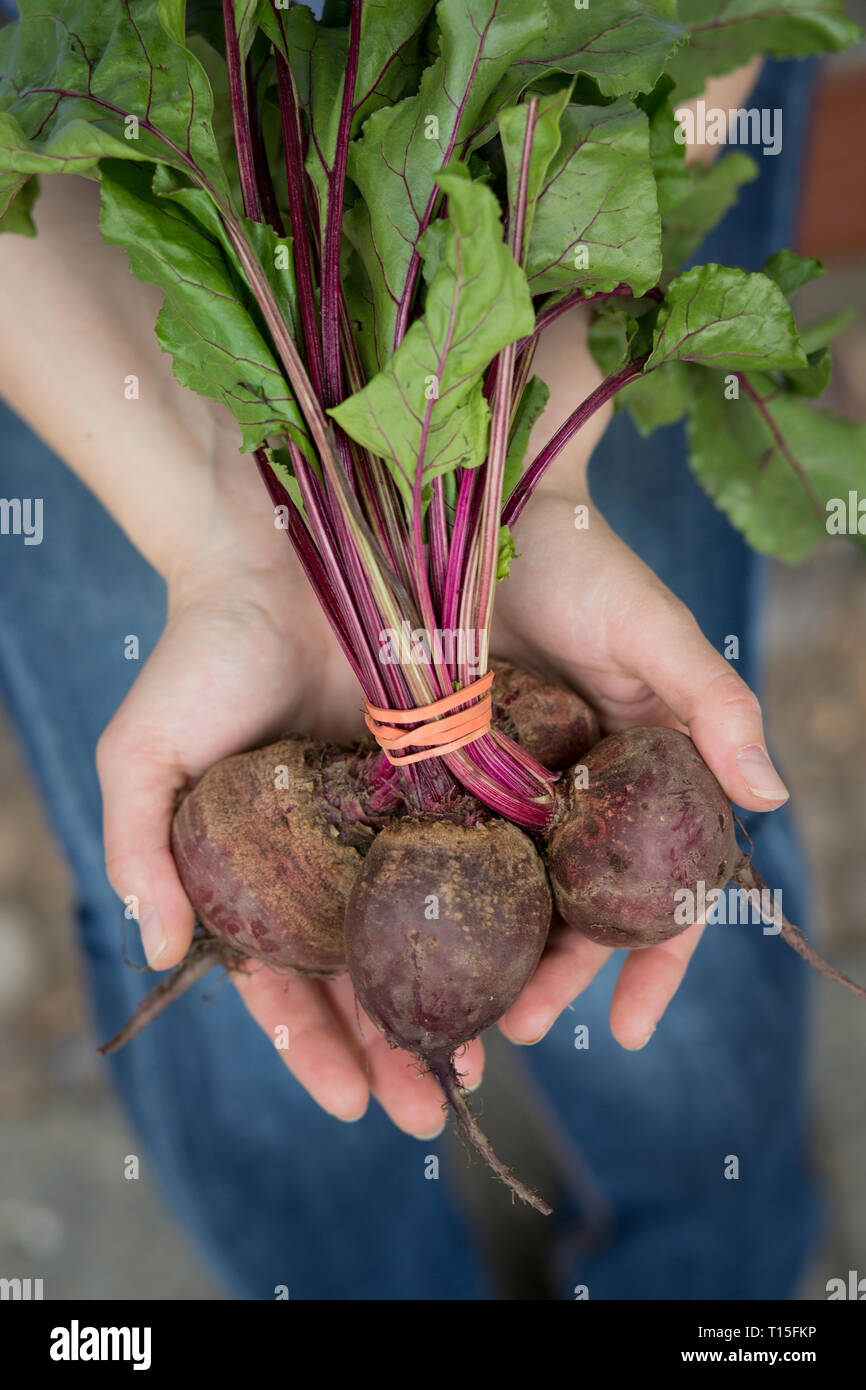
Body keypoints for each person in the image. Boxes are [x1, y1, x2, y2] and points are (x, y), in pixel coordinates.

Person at [0, 43, 819, 1297]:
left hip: (581, 77)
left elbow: (676, 32)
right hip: (75, 235)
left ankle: (714, 1283)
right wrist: (210, 538)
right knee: (233, 1022)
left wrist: (539, 411)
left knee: (689, 977)